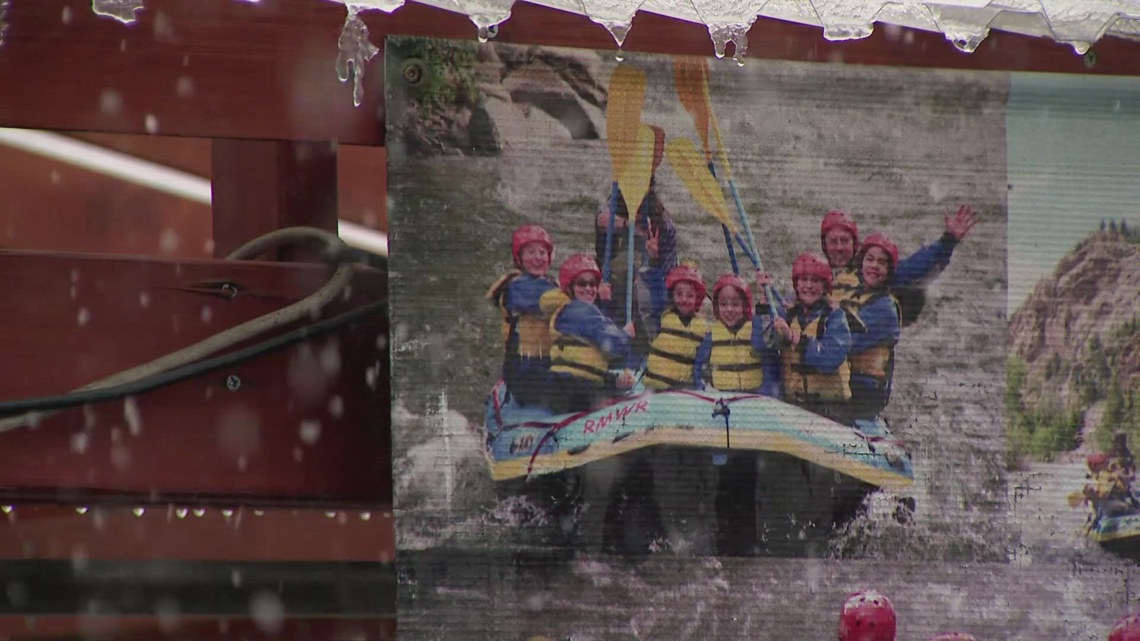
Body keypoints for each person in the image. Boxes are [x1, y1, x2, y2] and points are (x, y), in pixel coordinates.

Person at [594, 125, 678, 346]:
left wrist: (656, 257)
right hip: (610, 292)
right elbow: (602, 221)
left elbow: (669, 279)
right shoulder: (612, 206)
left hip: (645, 299)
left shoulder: (663, 223)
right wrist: (628, 225)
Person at [819, 205, 978, 313]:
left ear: (855, 244)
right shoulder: (816, 280)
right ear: (824, 246)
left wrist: (948, 240)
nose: (839, 248)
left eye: (845, 241)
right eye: (833, 242)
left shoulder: (873, 273)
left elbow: (914, 268)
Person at [546, 254, 635, 414]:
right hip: (571, 388)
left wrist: (615, 382)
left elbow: (591, 363)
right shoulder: (576, 310)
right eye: (582, 283)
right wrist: (626, 335)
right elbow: (614, 344)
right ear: (569, 288)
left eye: (593, 284)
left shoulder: (578, 314)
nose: (589, 288)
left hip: (574, 387)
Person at [770, 253, 852, 423]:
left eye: (815, 281)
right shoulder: (786, 314)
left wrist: (795, 339)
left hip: (829, 409)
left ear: (824, 287)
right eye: (804, 280)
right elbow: (760, 344)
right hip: (794, 405)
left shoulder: (835, 318)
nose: (809, 286)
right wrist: (765, 303)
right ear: (796, 285)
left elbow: (830, 359)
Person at [485, 224, 559, 406]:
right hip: (523, 370)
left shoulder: (553, 284)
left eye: (542, 252)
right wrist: (578, 293)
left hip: (547, 364)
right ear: (519, 258)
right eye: (531, 252)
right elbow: (546, 300)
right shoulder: (516, 286)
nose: (537, 258)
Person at [845, 233, 903, 423]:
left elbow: (843, 343)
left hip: (864, 395)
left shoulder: (885, 309)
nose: (874, 266)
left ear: (889, 271)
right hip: (846, 386)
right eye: (869, 259)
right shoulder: (854, 296)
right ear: (861, 264)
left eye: (882, 263)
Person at [703, 272, 778, 396]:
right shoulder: (711, 336)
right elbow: (700, 370)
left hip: (753, 398)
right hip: (723, 399)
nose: (729, 309)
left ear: (745, 306)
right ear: (716, 307)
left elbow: (764, 346)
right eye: (723, 304)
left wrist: (763, 302)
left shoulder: (756, 330)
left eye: (736, 304)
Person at [642, 263, 710, 391]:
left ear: (697, 299)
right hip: (654, 389)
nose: (684, 299)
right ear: (672, 296)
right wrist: (655, 260)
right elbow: (656, 292)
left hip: (681, 392)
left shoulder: (703, 328)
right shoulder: (662, 316)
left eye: (690, 296)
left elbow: (700, 364)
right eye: (679, 294)